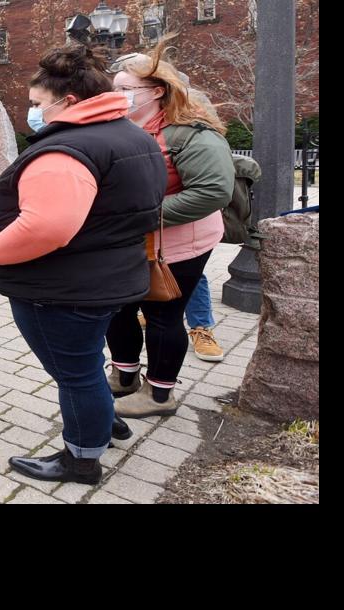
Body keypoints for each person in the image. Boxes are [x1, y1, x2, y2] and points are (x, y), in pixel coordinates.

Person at [0, 44, 165, 485]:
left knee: (73, 373)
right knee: (83, 362)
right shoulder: (132, 135)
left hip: (60, 289)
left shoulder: (64, 152)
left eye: (38, 104)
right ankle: (102, 421)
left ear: (70, 101)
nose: (32, 112)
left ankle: (81, 459)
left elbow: (47, 228)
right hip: (106, 277)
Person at [106, 38, 234, 417]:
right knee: (119, 308)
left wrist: (142, 214)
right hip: (131, 240)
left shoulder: (192, 131)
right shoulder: (120, 127)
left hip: (180, 244)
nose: (118, 96)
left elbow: (212, 190)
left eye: (126, 90)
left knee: (162, 314)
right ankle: (125, 374)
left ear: (157, 91)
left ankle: (159, 395)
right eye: (114, 89)